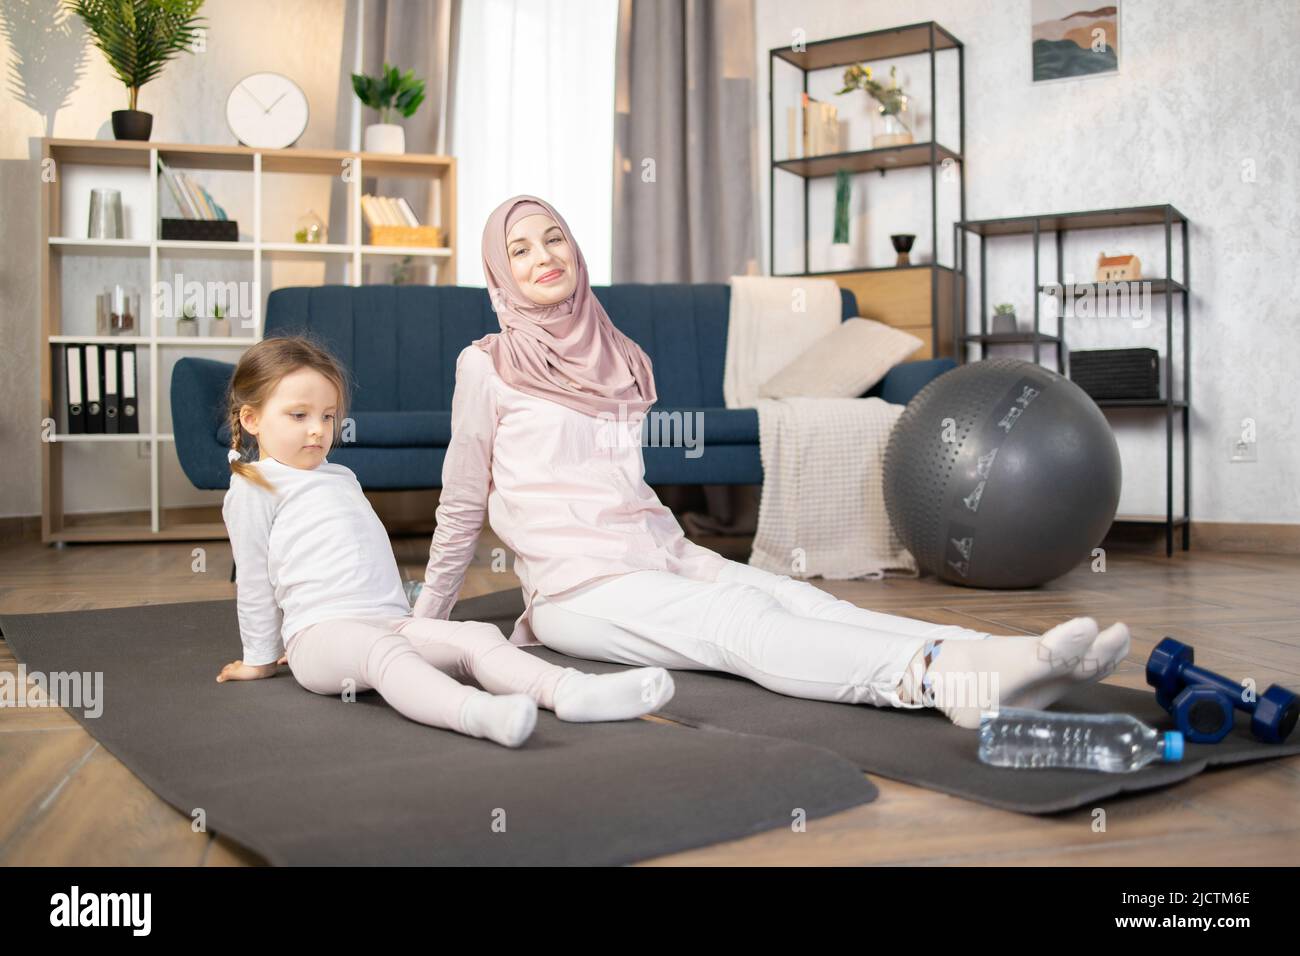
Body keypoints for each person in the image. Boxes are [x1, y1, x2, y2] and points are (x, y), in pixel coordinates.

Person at [412, 195, 1131, 729]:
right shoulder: (487, 367)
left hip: (661, 554)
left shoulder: (619, 354)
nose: (544, 257)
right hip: (579, 589)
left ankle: (1019, 658)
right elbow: (462, 502)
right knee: (739, 618)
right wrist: (426, 624)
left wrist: (677, 552)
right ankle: (944, 678)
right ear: (500, 272)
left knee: (801, 598)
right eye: (521, 249)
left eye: (554, 237)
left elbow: (620, 486)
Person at [216, 335, 675, 748]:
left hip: (388, 620)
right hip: (318, 638)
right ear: (252, 419)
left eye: (329, 416)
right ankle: (475, 713)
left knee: (475, 636)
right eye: (299, 415)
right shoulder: (254, 485)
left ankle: (571, 691)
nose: (318, 429)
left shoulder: (340, 476)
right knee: (385, 653)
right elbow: (255, 577)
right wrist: (259, 657)